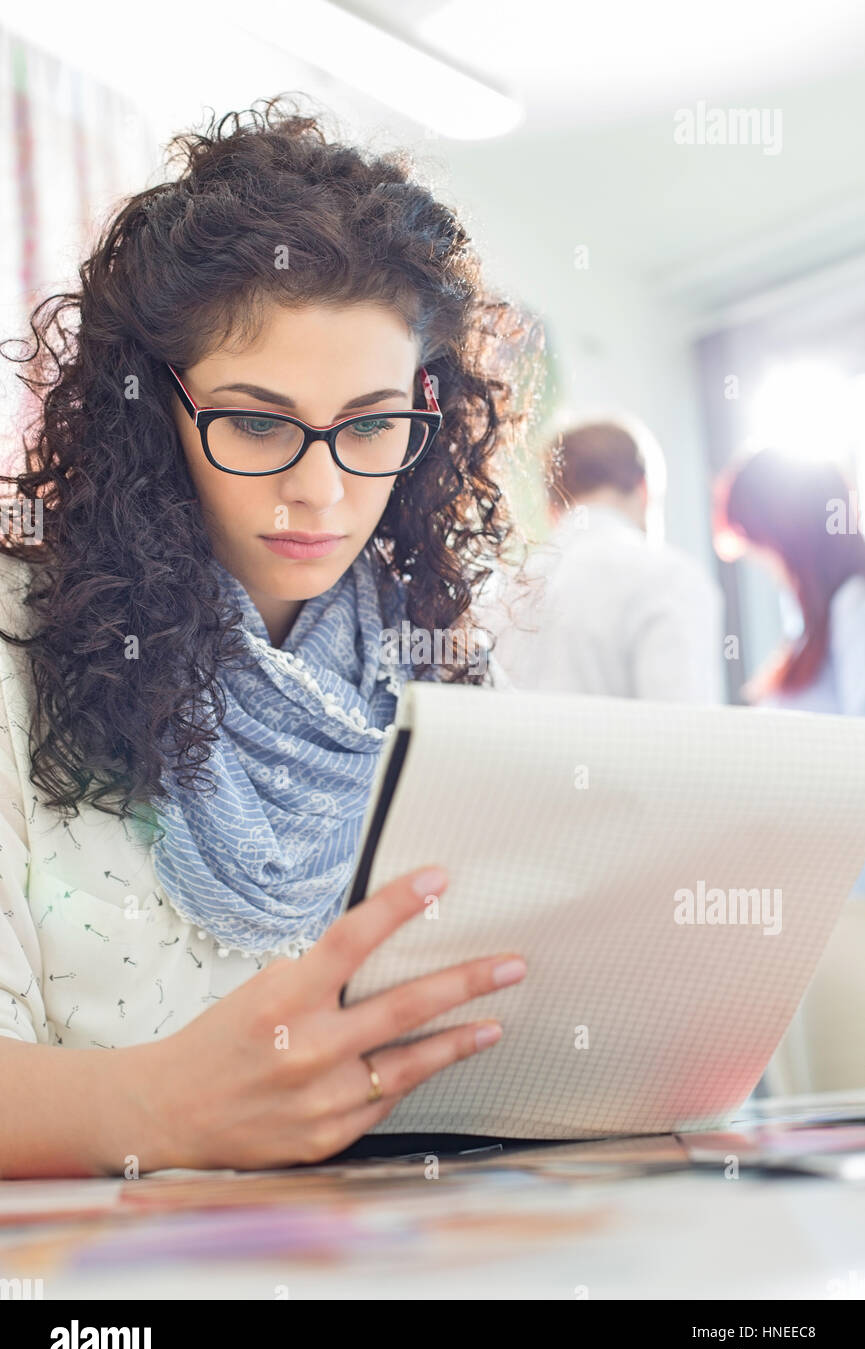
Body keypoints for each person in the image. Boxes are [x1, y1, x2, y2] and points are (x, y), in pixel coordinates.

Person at [0, 99, 532, 1178]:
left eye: (372, 424)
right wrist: (144, 1108)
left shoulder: (443, 673)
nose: (320, 493)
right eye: (256, 422)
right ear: (153, 410)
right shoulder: (18, 642)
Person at [714, 446, 865, 1090]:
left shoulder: (856, 602)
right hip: (822, 898)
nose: (767, 567)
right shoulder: (816, 621)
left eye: (763, 546)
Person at [479, 420, 725, 702]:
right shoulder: (672, 579)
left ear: (552, 509)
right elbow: (687, 732)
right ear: (645, 490)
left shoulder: (501, 594)